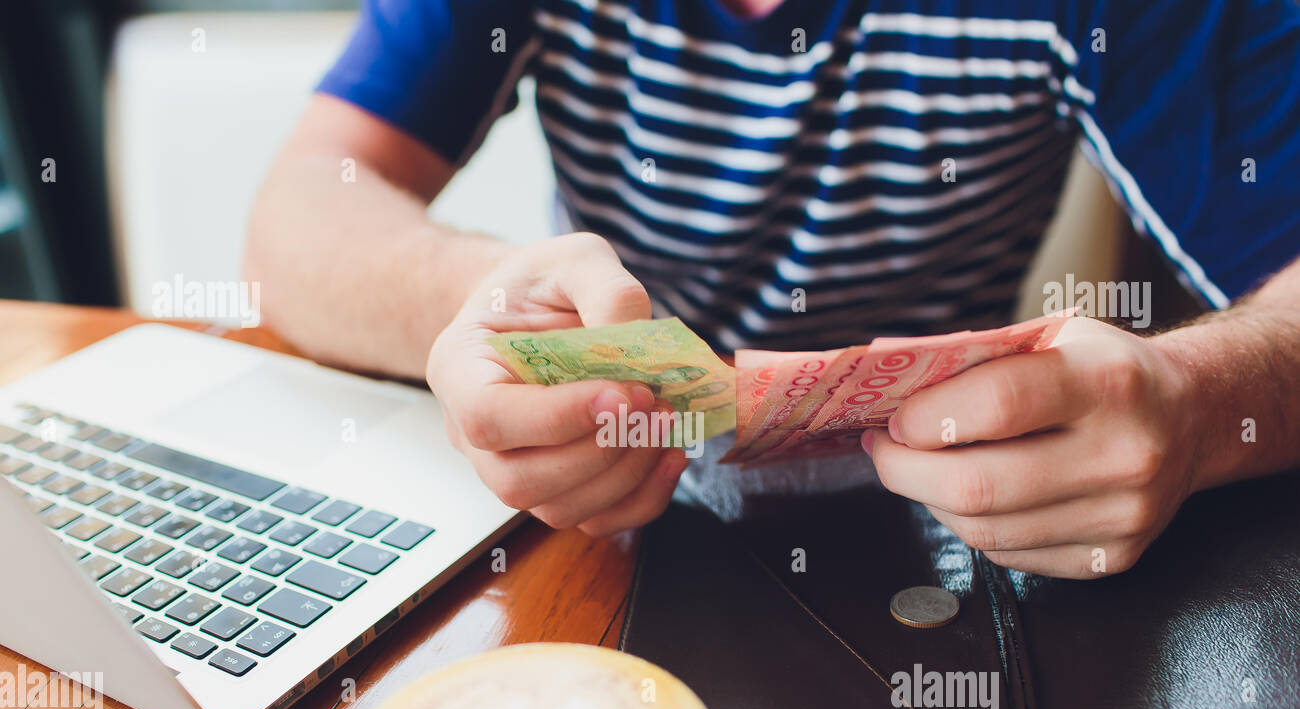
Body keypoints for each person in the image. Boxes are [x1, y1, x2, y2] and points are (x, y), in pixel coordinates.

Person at [246, 0, 1300, 578]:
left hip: (951, 530)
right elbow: (296, 212)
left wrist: (1194, 403)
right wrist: (487, 301)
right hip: (591, 530)